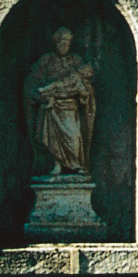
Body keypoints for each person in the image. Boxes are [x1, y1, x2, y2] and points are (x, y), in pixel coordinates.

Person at [24, 27, 96, 175]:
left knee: (74, 137)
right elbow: (33, 82)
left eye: (66, 43)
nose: (63, 45)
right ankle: (55, 164)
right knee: (50, 139)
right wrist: (43, 94)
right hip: (51, 107)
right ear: (55, 43)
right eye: (60, 43)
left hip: (70, 107)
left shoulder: (77, 61)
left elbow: (86, 86)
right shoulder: (46, 61)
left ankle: (75, 164)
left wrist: (84, 93)